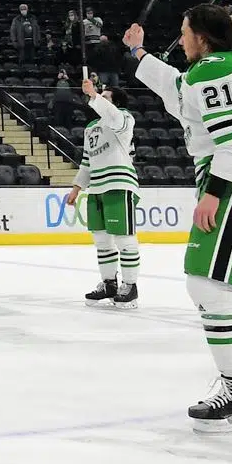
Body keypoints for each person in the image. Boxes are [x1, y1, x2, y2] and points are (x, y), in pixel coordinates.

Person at [123, 4, 232, 432]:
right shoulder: (219, 68)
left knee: (207, 282)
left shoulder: (213, 70)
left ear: (203, 37)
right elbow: (179, 91)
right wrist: (139, 54)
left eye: (184, 32)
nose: (180, 40)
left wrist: (214, 193)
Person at [67, 78, 140, 307]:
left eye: (106, 97)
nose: (100, 99)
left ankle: (130, 286)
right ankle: (109, 283)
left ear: (115, 103)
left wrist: (94, 96)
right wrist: (77, 188)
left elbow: (114, 117)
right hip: (96, 187)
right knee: (101, 240)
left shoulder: (124, 118)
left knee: (124, 239)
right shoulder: (90, 128)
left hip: (118, 184)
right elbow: (86, 161)